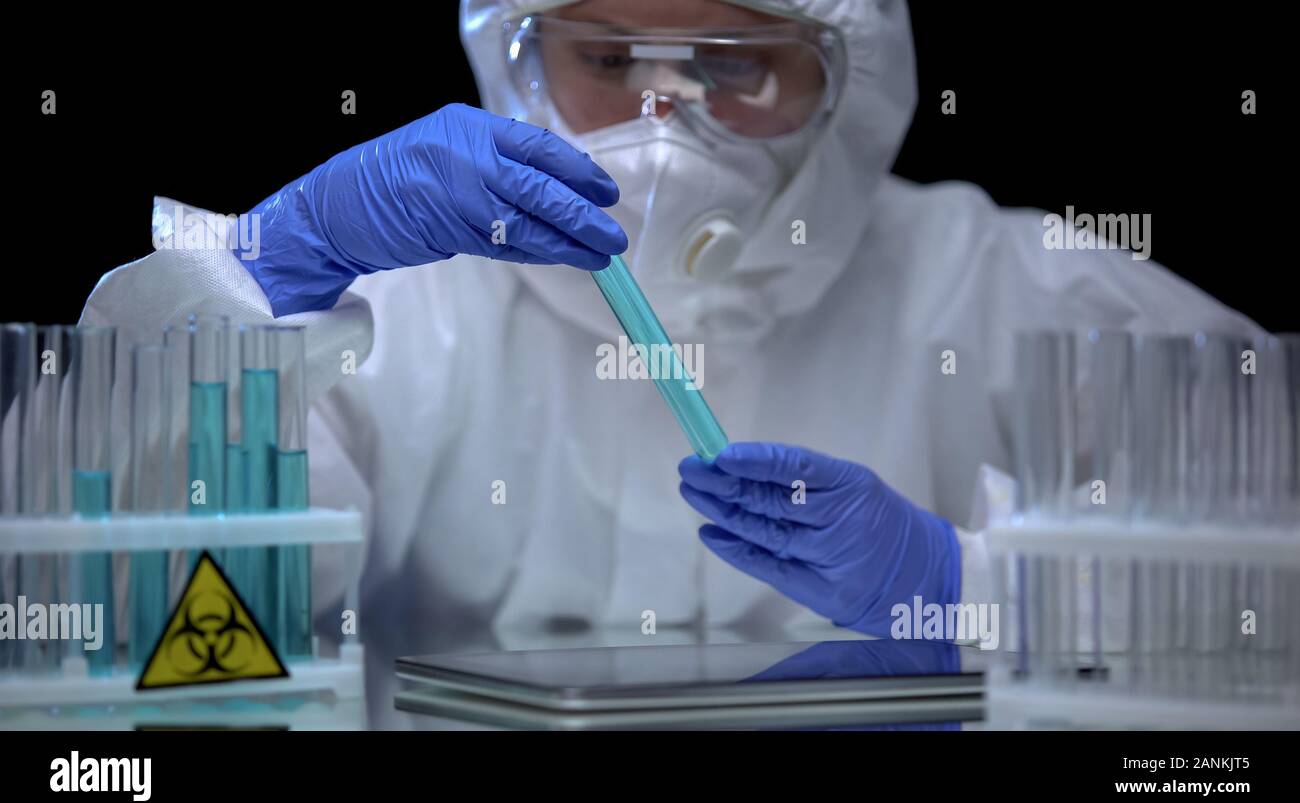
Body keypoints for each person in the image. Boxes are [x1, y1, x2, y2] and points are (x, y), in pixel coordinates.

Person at [82, 0, 1254, 648]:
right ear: (516, 52)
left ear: (846, 76)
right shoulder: (399, 304)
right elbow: (137, 625)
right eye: (603, 57)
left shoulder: (1010, 288)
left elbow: (1263, 605)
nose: (664, 115)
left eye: (736, 60)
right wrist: (260, 276)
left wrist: (967, 586)